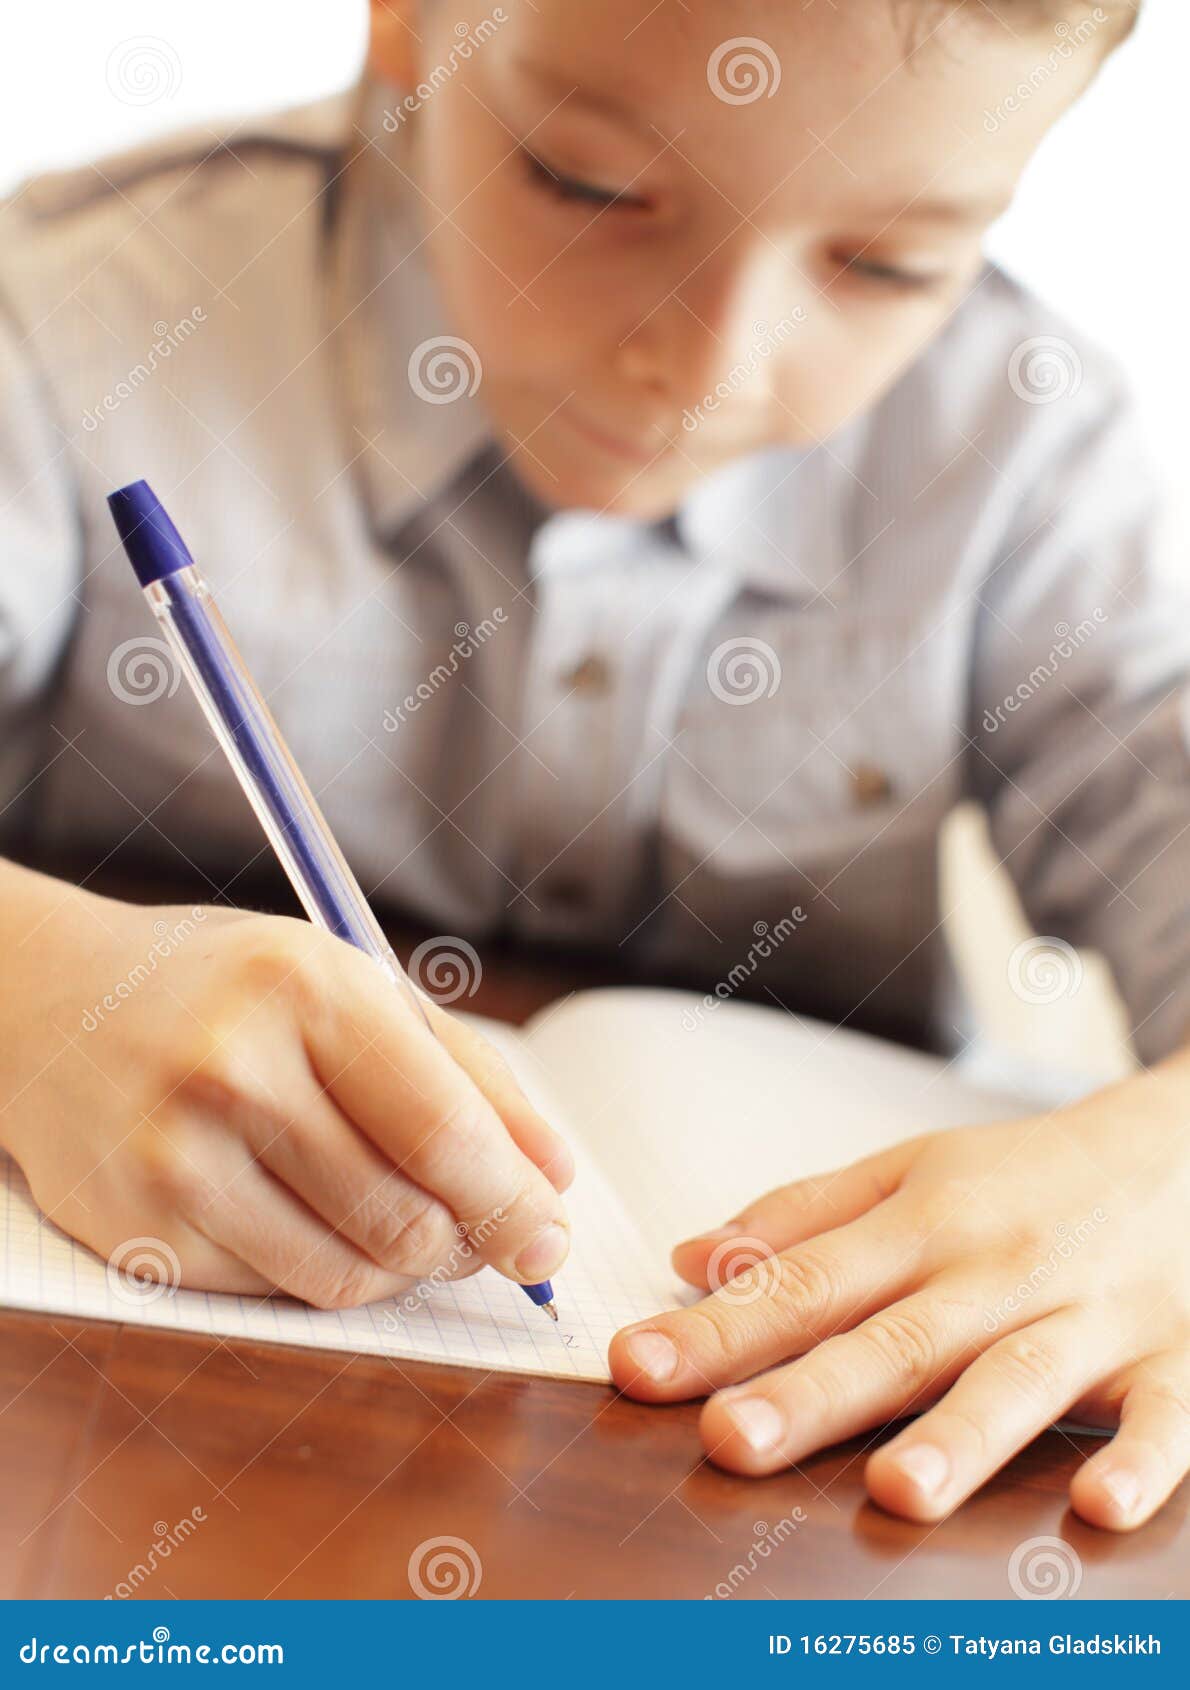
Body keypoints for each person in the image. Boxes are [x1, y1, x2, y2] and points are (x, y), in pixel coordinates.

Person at [2, 0, 1185, 1530]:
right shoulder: (75, 321)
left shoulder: (1030, 459)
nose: (706, 364)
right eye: (591, 184)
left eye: (884, 263)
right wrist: (34, 996)